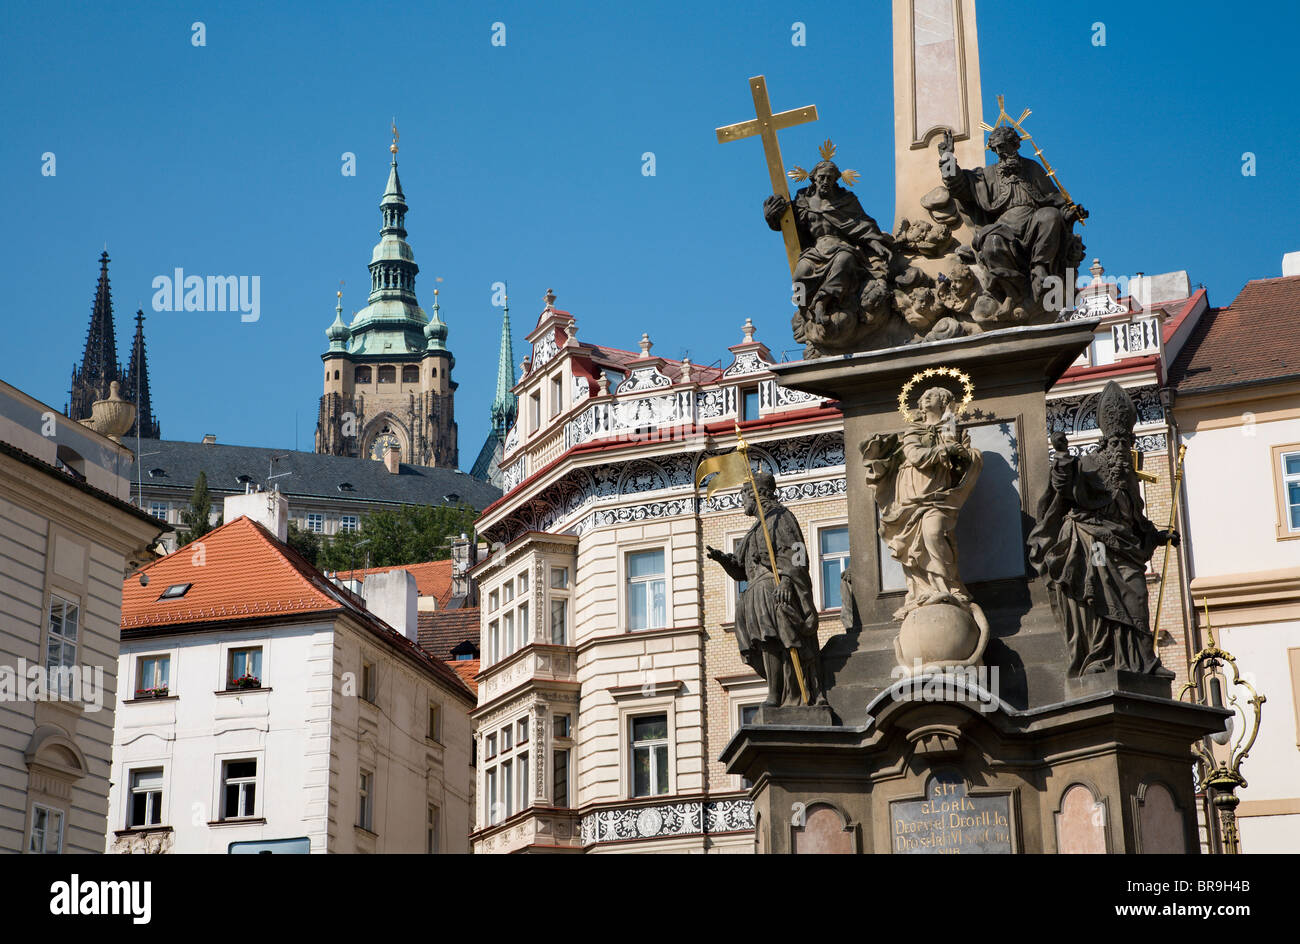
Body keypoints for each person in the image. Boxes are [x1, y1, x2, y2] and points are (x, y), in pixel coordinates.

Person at [1028, 385, 1177, 677]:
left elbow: (1136, 520)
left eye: (1126, 443)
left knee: (1137, 596)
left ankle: (1145, 661)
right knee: (1096, 592)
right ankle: (1100, 657)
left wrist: (1159, 536)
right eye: (1116, 443)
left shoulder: (1129, 479)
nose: (1121, 449)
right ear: (1104, 444)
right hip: (1093, 544)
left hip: (1124, 550)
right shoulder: (1090, 465)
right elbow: (1064, 485)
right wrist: (1061, 455)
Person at [706, 472, 826, 708]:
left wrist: (788, 581)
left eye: (743, 496)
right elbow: (741, 569)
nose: (742, 502)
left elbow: (798, 554)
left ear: (755, 495)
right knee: (764, 641)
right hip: (754, 593)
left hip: (773, 590)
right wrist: (723, 559)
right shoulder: (755, 528)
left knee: (772, 638)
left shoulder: (781, 518)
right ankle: (775, 692)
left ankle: (779, 693)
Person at [866, 387, 983, 620]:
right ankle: (922, 591)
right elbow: (916, 456)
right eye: (924, 396)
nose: (925, 398)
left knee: (934, 532)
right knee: (911, 545)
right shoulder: (914, 430)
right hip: (910, 495)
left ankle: (951, 588)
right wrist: (944, 449)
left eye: (932, 395)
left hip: (939, 495)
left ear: (944, 402)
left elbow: (959, 466)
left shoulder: (952, 427)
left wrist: (963, 455)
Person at [939, 126, 1087, 307]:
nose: (1000, 152)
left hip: (1035, 222)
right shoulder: (987, 174)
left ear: (1015, 144)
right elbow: (958, 186)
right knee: (992, 240)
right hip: (1005, 226)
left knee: (1050, 215)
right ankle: (1012, 292)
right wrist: (947, 159)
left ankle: (1040, 267)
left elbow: (1054, 200)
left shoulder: (1032, 168)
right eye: (995, 148)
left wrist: (1070, 212)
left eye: (1003, 146)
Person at [763, 160, 893, 326]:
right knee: (799, 276)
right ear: (814, 179)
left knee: (844, 261)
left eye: (830, 179)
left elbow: (862, 225)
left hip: (841, 246)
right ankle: (804, 312)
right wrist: (771, 216)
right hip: (816, 250)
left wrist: (876, 243)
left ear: (835, 180)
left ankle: (821, 303)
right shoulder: (803, 203)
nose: (825, 181)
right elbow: (787, 225)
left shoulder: (846, 201)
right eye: (822, 177)